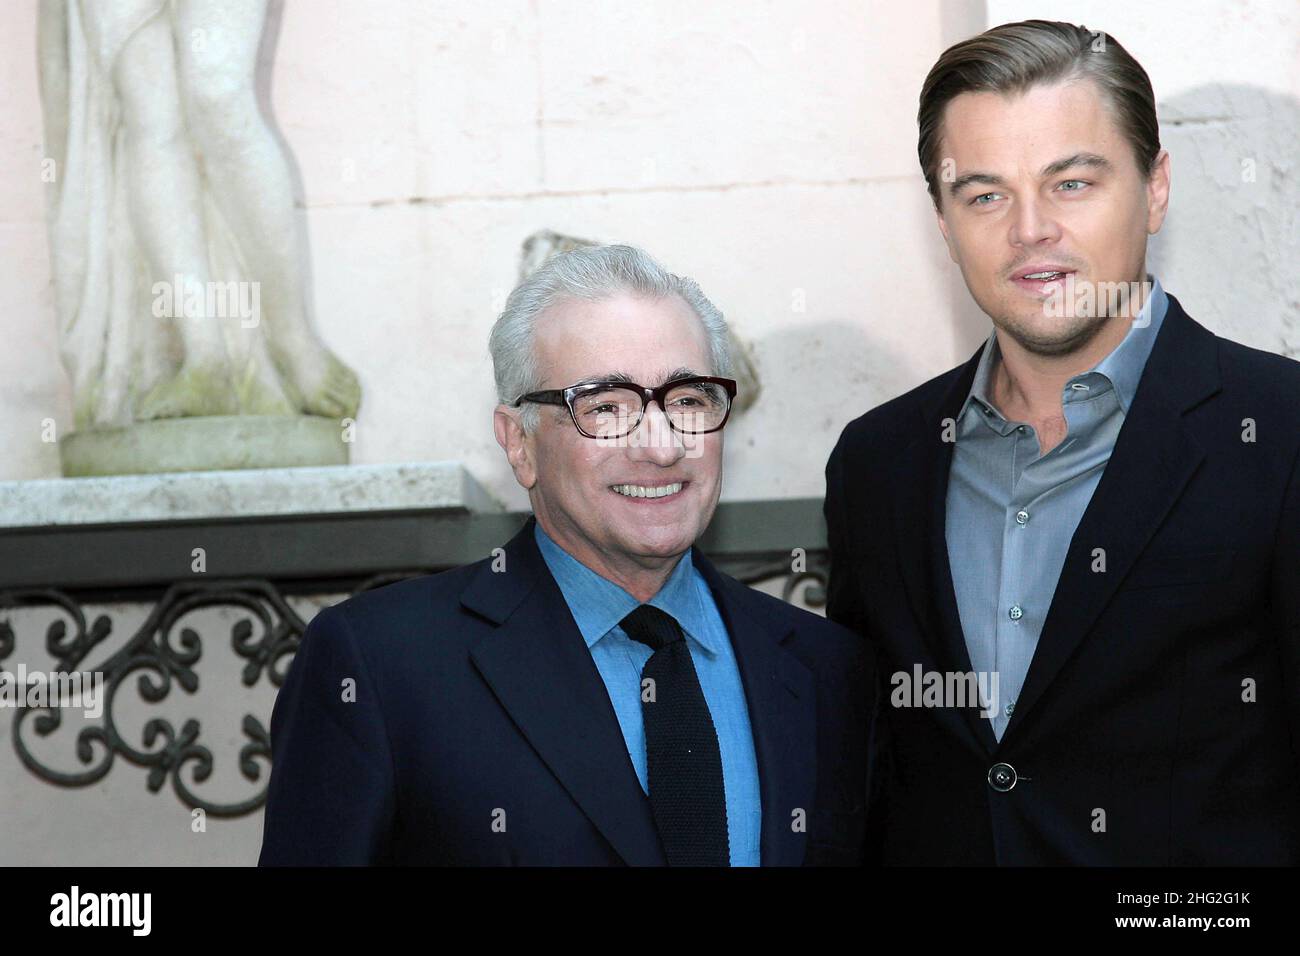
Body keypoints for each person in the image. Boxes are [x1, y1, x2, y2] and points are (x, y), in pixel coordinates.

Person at [824, 19, 1300, 865]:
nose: (1030, 229)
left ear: (1155, 188)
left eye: (1072, 183)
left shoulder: (1281, 432)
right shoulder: (877, 461)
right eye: (985, 195)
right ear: (943, 221)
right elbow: (873, 768)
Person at [261, 244, 879, 865]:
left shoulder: (828, 670)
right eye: (605, 408)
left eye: (688, 401)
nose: (662, 447)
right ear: (519, 443)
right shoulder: (380, 667)